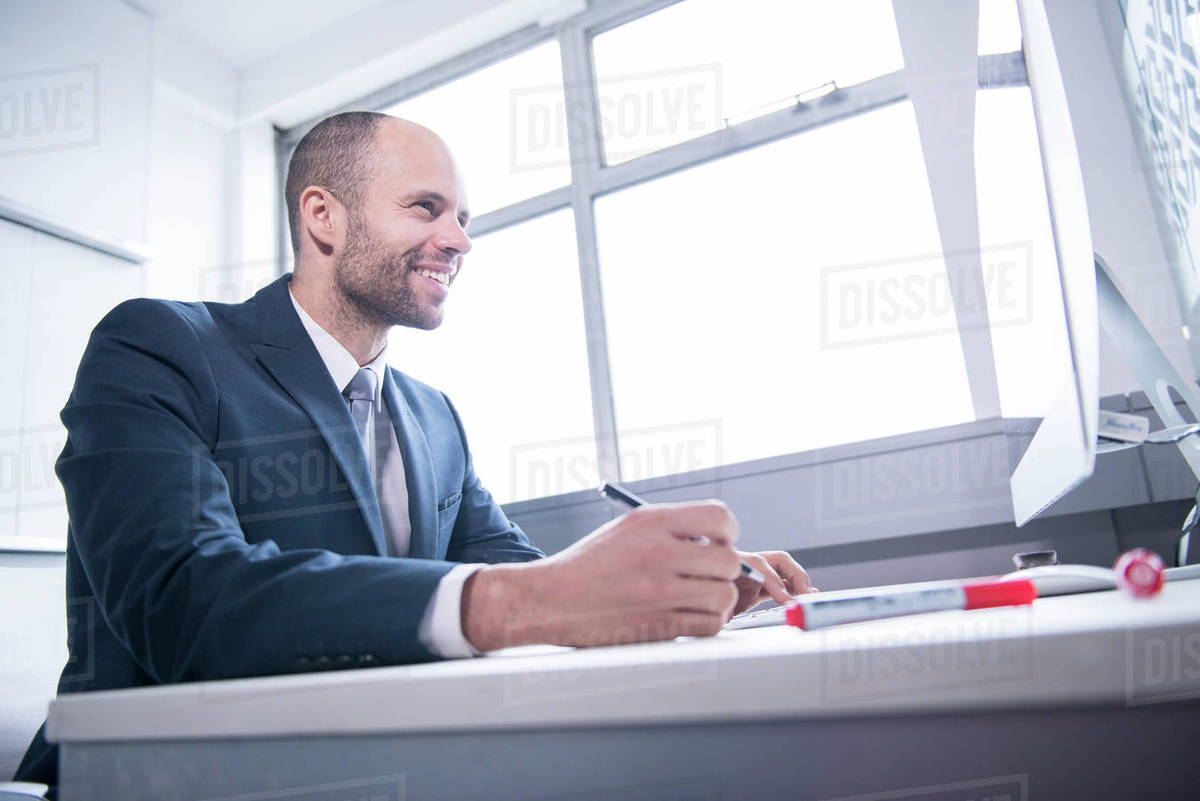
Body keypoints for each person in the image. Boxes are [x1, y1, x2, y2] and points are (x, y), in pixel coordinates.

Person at [15, 112, 811, 788]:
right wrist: (532, 601)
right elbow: (180, 596)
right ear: (322, 216)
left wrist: (653, 592)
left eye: (463, 216)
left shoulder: (435, 418)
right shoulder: (162, 344)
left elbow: (522, 577)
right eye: (427, 207)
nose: (459, 238)